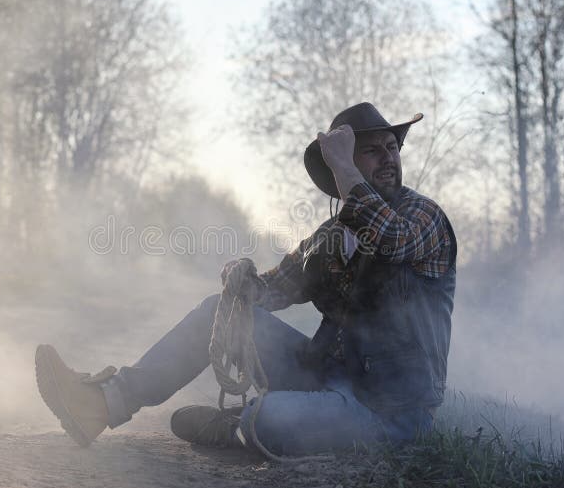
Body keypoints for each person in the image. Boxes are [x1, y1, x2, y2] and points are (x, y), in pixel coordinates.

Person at [35, 102, 458, 457]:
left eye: (391, 147)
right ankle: (103, 403)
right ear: (339, 169)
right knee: (216, 313)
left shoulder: (423, 217)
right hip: (329, 378)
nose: (388, 157)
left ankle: (241, 425)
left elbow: (389, 239)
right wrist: (241, 277)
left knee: (269, 417)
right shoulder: (330, 238)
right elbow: (268, 291)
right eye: (372, 150)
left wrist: (345, 163)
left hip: (392, 412)